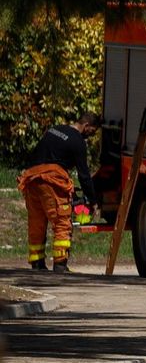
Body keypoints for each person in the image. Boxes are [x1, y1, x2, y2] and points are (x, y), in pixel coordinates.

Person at [18, 113, 100, 272]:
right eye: (92, 132)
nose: (91, 136)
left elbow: (37, 153)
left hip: (32, 179)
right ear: (87, 126)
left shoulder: (55, 129)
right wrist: (93, 200)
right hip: (52, 181)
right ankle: (60, 264)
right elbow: (84, 175)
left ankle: (37, 263)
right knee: (62, 222)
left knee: (37, 223)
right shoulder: (78, 142)